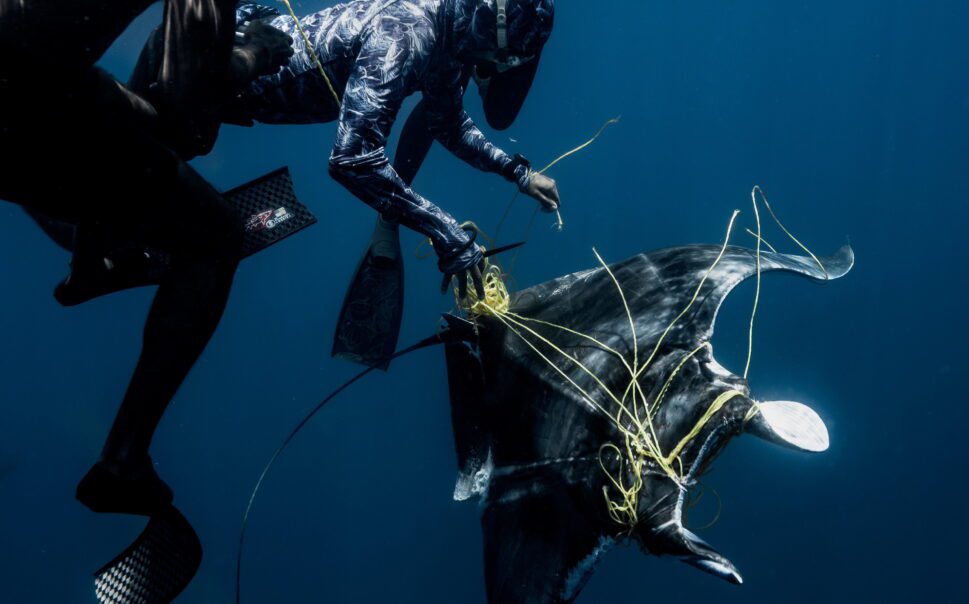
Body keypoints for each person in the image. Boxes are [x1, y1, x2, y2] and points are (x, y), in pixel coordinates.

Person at [0, 0, 292, 515]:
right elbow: (186, 95)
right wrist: (254, 53)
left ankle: (90, 268)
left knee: (125, 126)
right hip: (29, 101)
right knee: (214, 235)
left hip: (27, 100)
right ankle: (123, 458)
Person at [217, 0, 561, 295]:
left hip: (244, 67)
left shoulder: (446, 36)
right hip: (221, 71)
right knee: (218, 231)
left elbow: (450, 124)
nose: (491, 68)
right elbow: (352, 159)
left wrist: (519, 174)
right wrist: (445, 231)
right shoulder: (404, 36)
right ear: (485, 27)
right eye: (499, 59)